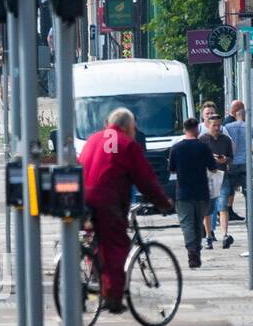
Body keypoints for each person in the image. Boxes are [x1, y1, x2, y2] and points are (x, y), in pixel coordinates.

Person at [78, 108, 173, 314]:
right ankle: (112, 297)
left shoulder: (93, 139)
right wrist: (163, 202)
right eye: (134, 128)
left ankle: (90, 276)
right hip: (107, 202)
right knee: (117, 246)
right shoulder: (128, 145)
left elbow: (80, 165)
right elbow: (145, 179)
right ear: (129, 127)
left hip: (80, 200)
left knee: (95, 242)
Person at [167, 118, 218, 269]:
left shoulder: (176, 148)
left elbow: (171, 169)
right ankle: (197, 251)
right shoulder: (204, 147)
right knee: (198, 222)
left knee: (187, 224)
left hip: (183, 193)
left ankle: (192, 252)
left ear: (184, 129)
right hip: (202, 192)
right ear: (197, 129)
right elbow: (213, 168)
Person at [221, 101, 253, 222]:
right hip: (245, 164)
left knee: (228, 190)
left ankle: (224, 213)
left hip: (232, 163)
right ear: (244, 114)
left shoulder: (227, 128)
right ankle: (249, 217)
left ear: (235, 114)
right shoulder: (249, 127)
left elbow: (223, 142)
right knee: (248, 191)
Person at [198, 114, 234, 249]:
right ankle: (208, 236)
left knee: (223, 205)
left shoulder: (226, 140)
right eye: (214, 125)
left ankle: (225, 234)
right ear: (208, 125)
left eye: (219, 125)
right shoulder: (202, 140)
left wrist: (225, 159)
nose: (217, 128)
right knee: (208, 208)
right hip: (208, 176)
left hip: (222, 175)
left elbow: (231, 157)